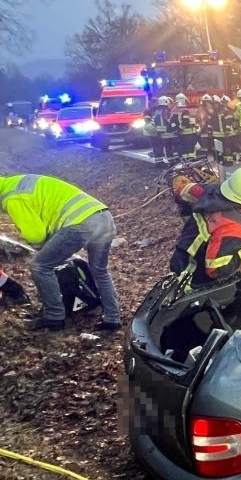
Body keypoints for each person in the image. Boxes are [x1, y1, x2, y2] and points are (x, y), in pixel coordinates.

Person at [0, 174, 121, 331]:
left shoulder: (11, 198)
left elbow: (36, 235)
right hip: (103, 217)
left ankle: (54, 316)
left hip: (79, 224)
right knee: (100, 271)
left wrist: (40, 246)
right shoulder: (16, 183)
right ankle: (113, 318)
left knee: (40, 266)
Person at [169, 165, 241, 286]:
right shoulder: (233, 227)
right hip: (192, 280)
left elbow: (182, 190)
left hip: (181, 259)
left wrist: (185, 210)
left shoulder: (210, 191)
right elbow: (217, 270)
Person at [144, 96, 173, 166]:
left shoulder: (155, 110)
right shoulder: (150, 111)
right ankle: (159, 162)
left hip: (153, 131)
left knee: (158, 147)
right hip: (154, 132)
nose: (155, 104)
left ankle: (159, 161)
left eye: (156, 103)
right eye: (154, 103)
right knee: (158, 147)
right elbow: (163, 121)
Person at [171, 93, 200, 162]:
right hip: (189, 134)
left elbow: (172, 123)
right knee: (190, 149)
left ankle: (186, 160)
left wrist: (176, 129)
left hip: (182, 135)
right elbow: (187, 122)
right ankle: (191, 160)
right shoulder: (186, 112)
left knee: (184, 149)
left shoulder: (174, 112)